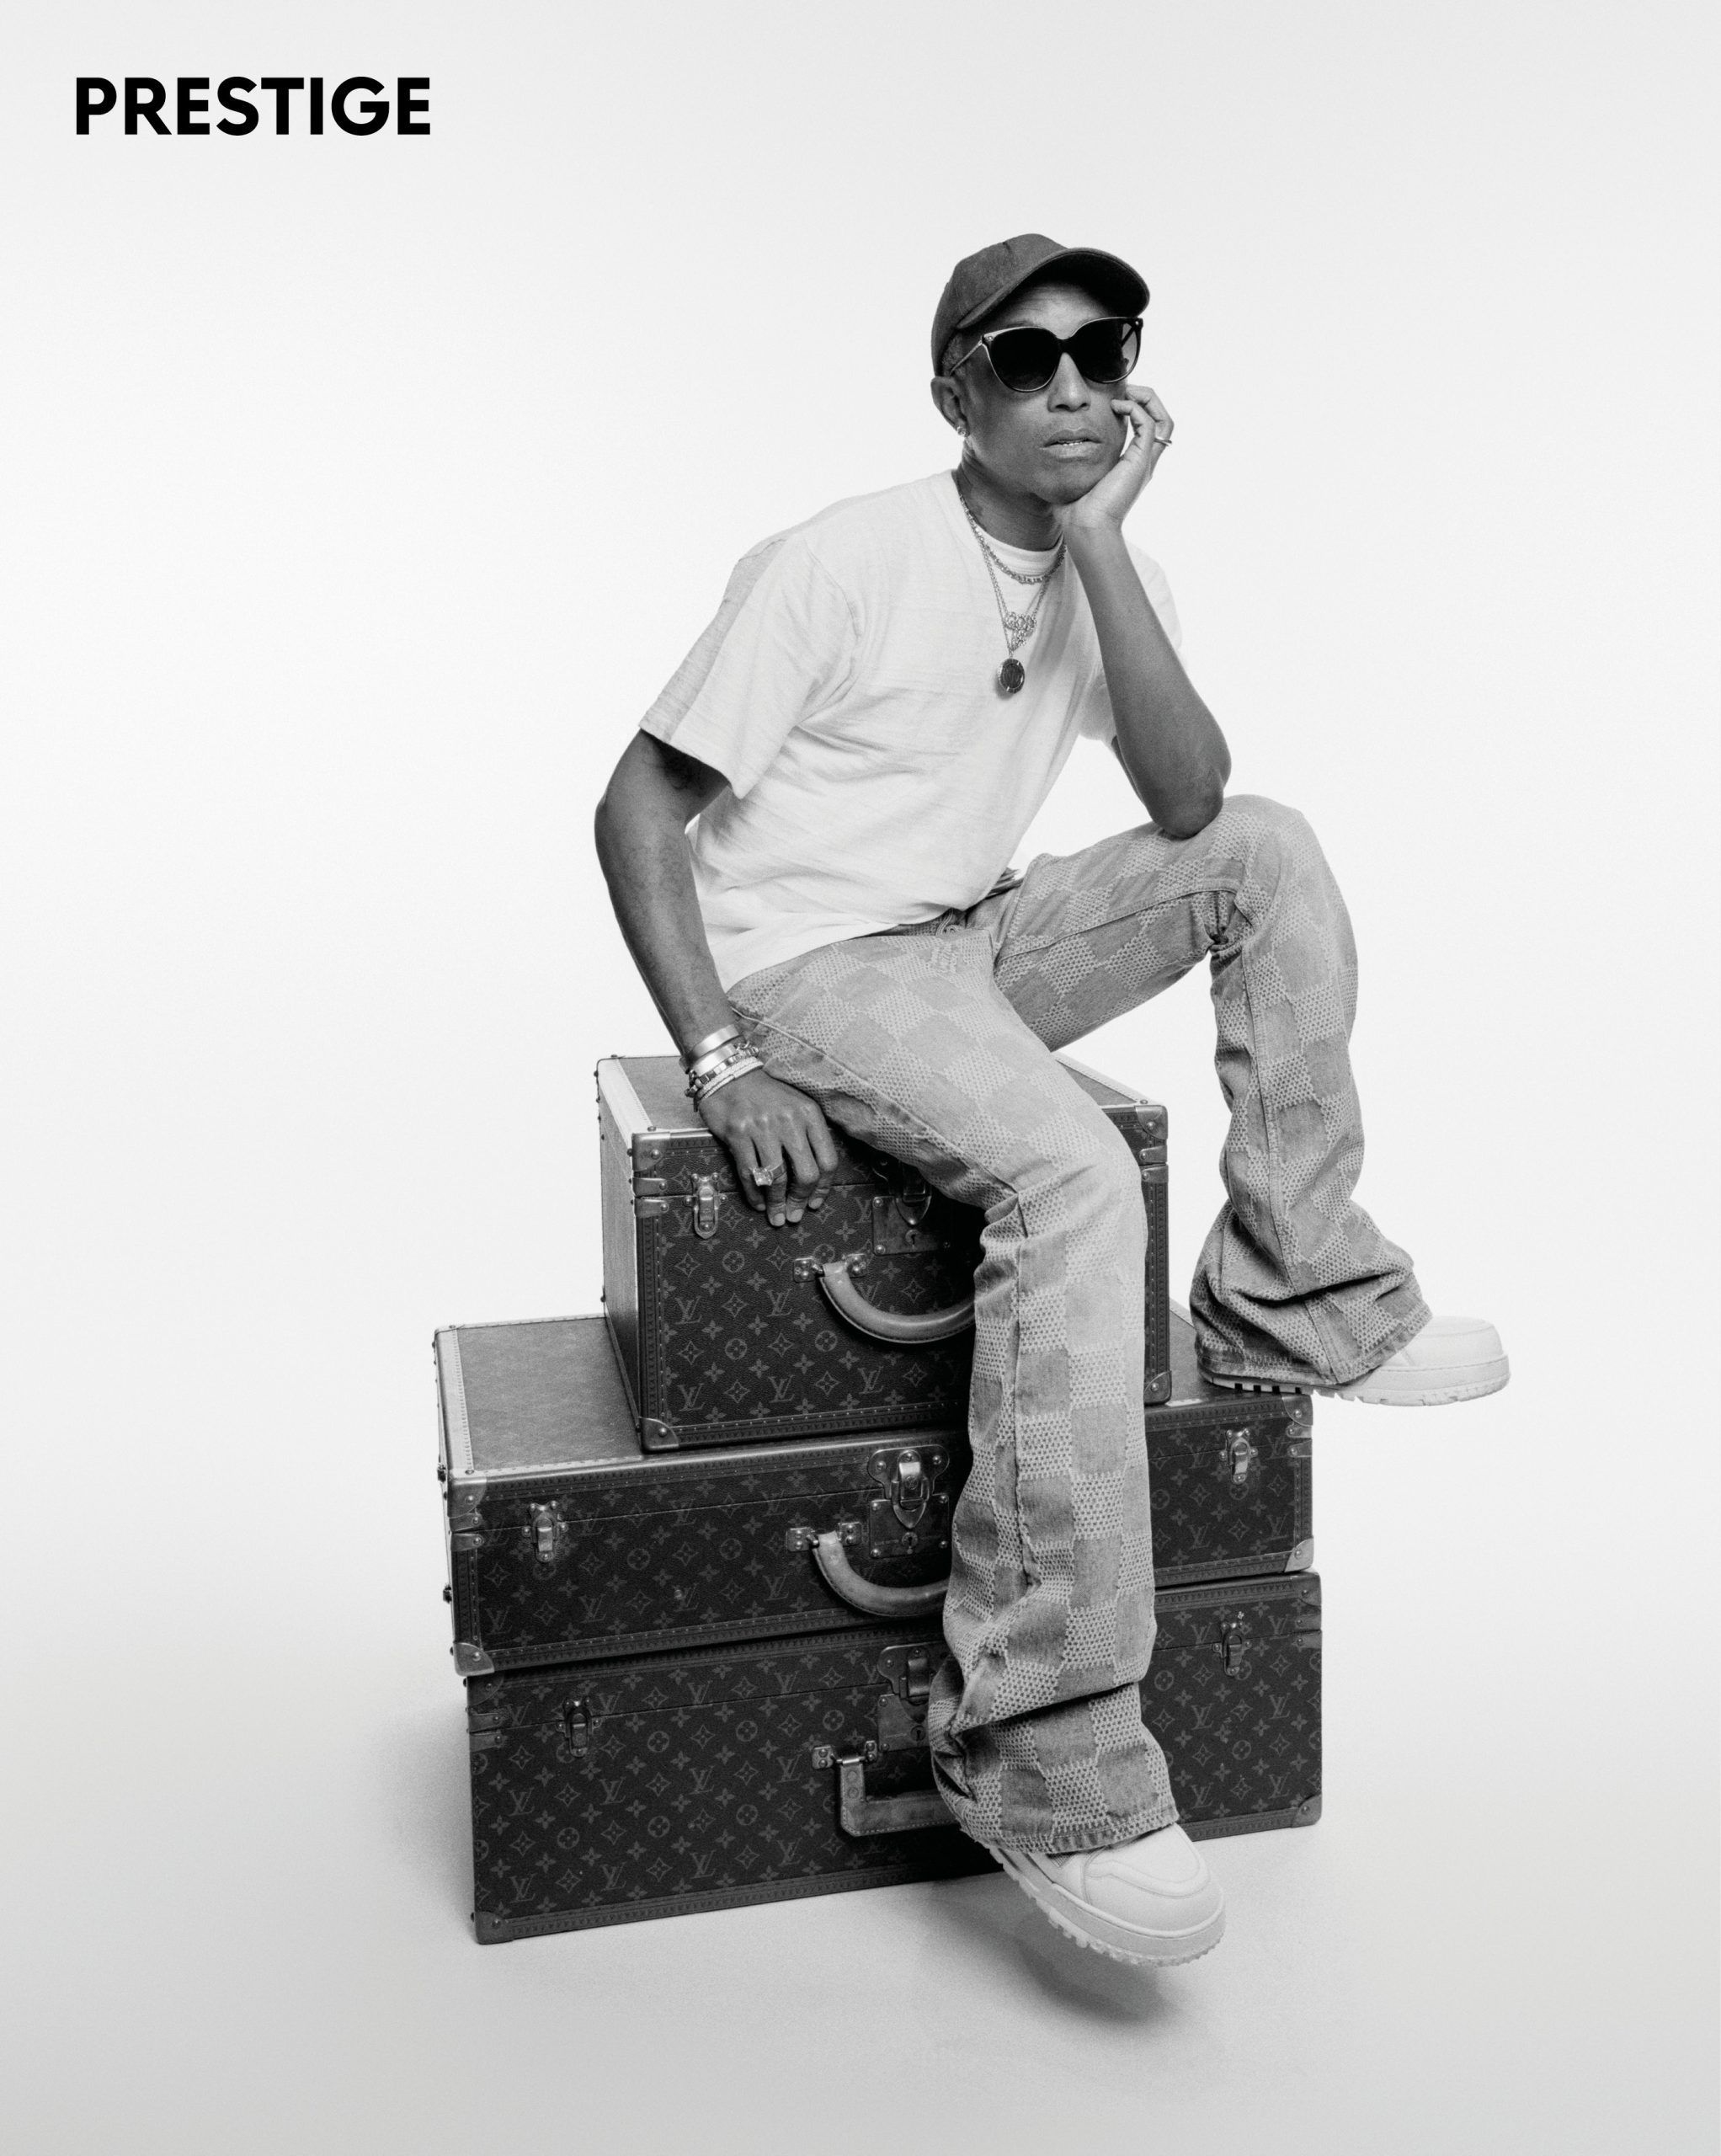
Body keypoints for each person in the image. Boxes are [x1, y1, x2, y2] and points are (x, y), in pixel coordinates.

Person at [594, 232, 1508, 1970]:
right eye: (1027, 358)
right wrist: (720, 1055)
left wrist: (1098, 543)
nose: (1073, 385)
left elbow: (1190, 798)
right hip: (813, 967)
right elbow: (634, 808)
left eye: (1106, 349)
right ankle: (1049, 1752)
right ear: (957, 393)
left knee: (1266, 852)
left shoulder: (1105, 565)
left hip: (971, 932)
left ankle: (1294, 1291)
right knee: (1076, 1179)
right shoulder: (840, 559)